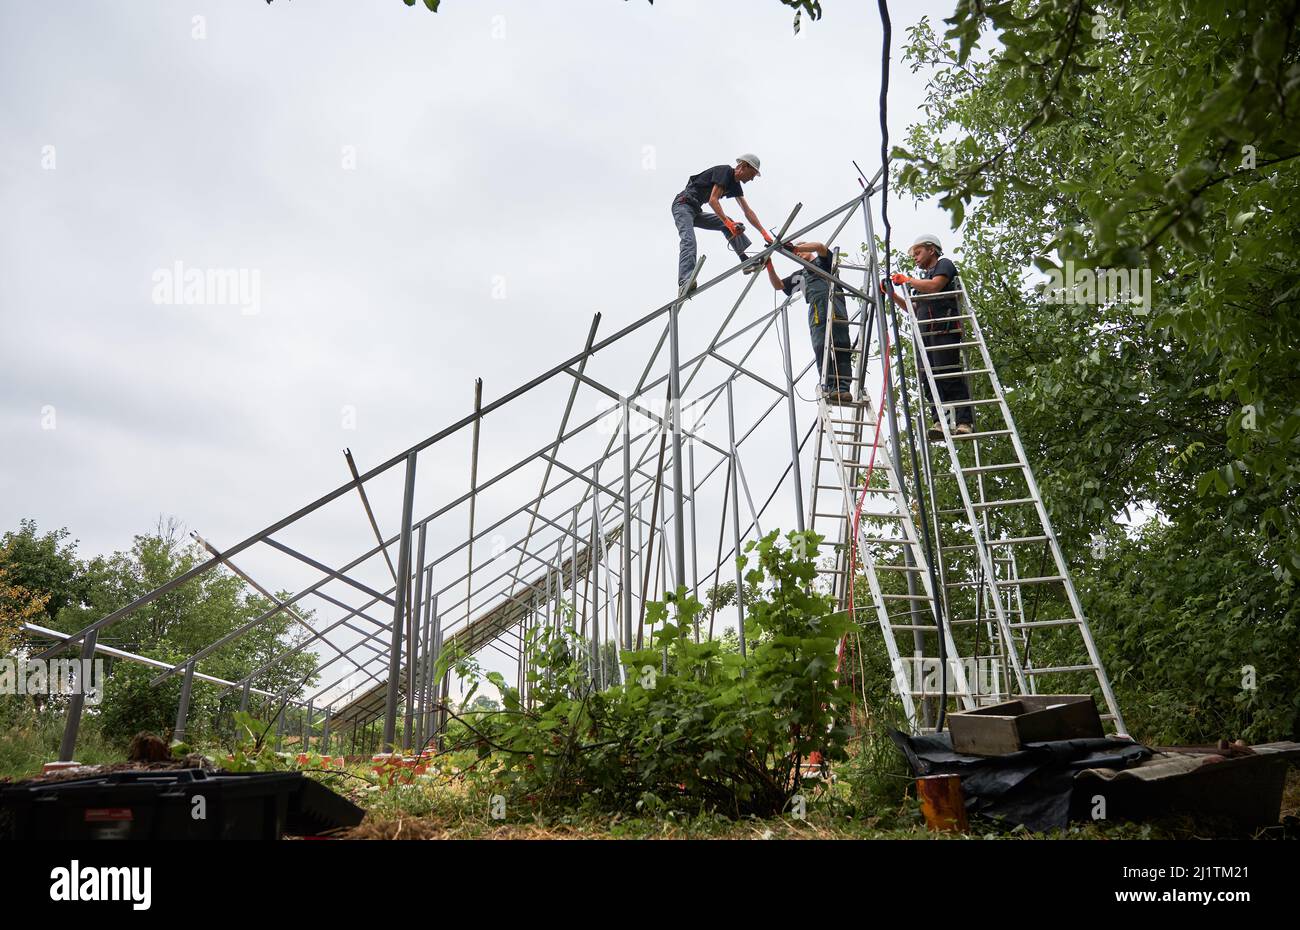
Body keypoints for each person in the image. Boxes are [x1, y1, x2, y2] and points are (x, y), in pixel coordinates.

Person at [882, 233, 973, 438]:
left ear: (931, 250)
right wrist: (893, 295)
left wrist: (907, 280)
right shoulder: (922, 281)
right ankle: (941, 422)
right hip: (926, 334)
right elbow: (913, 308)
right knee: (928, 379)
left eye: (918, 252)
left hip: (944, 329)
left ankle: (964, 421)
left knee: (947, 374)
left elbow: (935, 287)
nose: (915, 257)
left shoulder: (944, 265)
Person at [767, 241, 853, 403]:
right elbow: (779, 286)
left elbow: (820, 246)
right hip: (816, 311)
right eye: (796, 254)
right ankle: (830, 387)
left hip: (835, 306)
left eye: (801, 249)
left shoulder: (824, 262)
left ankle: (843, 388)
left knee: (840, 344)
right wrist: (769, 265)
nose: (798, 254)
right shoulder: (801, 275)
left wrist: (794, 248)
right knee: (821, 347)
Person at [671, 154, 769, 291]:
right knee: (689, 240)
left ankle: (745, 262)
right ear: (744, 166)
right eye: (752, 174)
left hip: (695, 210)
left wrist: (764, 233)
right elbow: (713, 200)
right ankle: (685, 281)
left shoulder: (735, 184)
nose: (752, 179)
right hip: (683, 205)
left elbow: (748, 211)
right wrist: (729, 224)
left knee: (728, 222)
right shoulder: (726, 171)